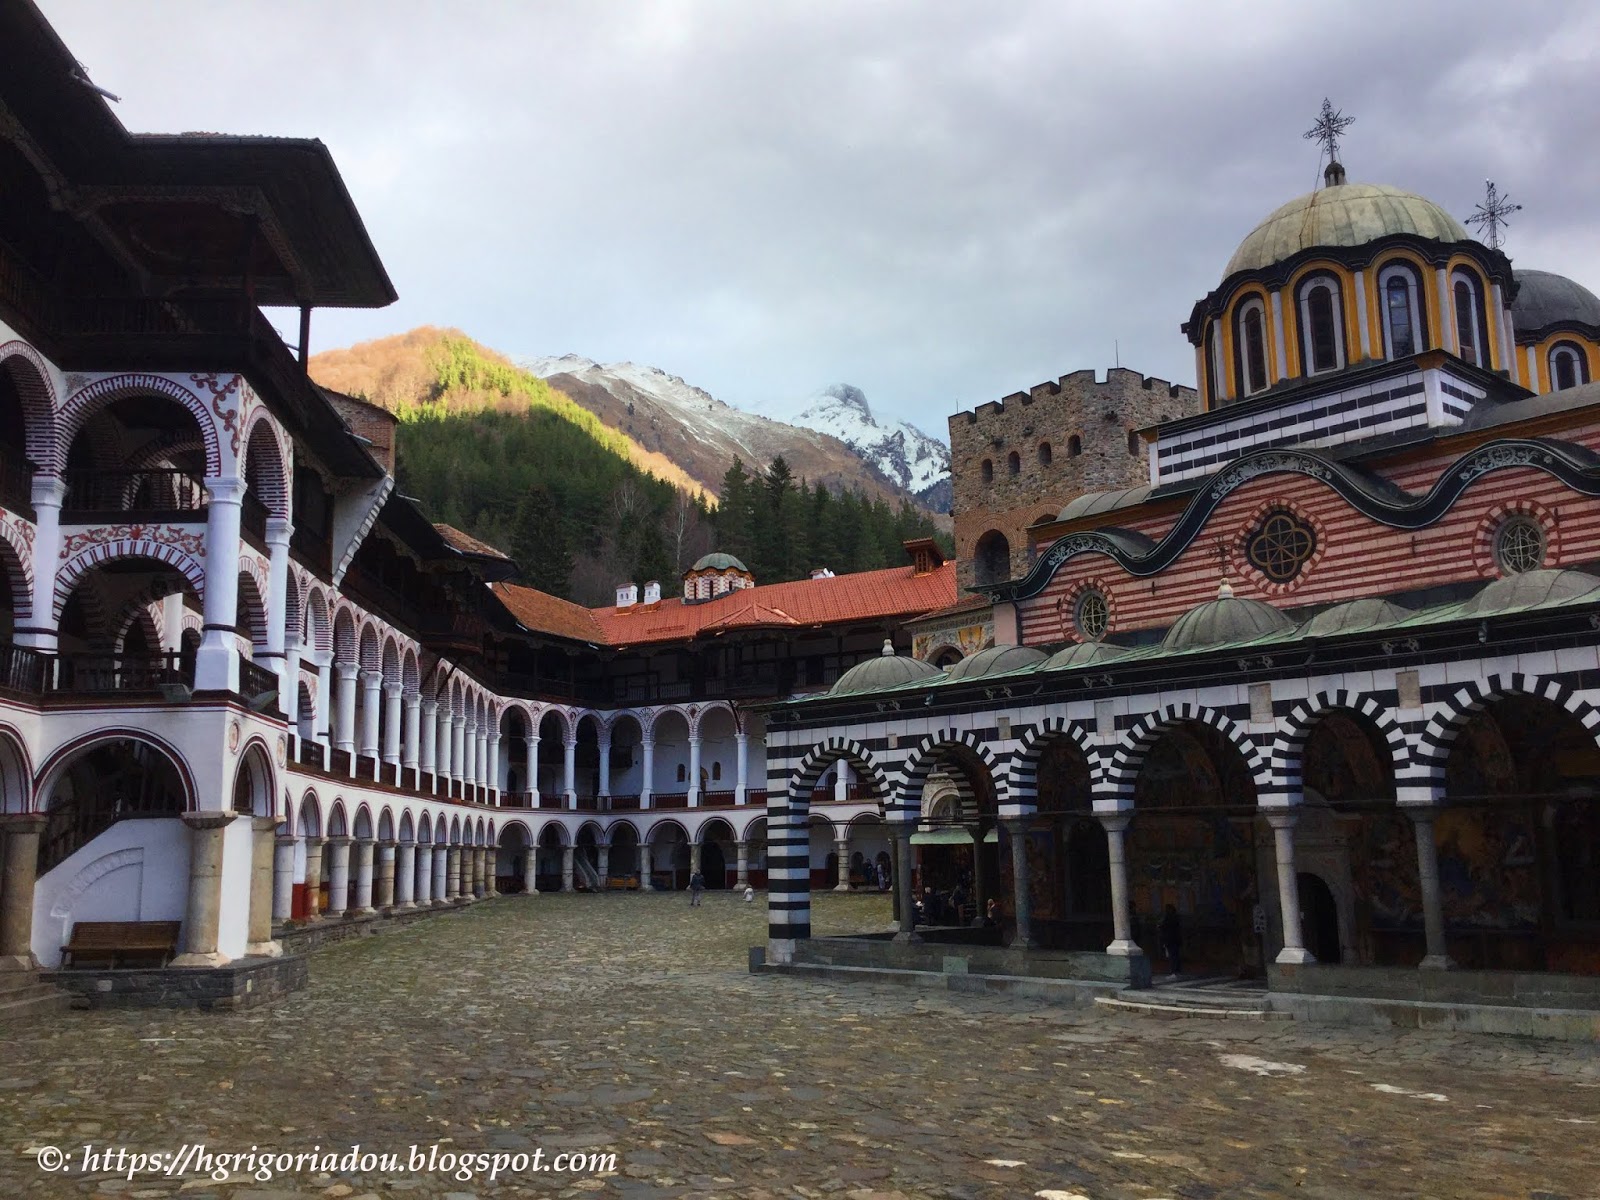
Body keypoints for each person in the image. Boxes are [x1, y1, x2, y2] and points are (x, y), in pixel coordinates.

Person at [1159, 904, 1183, 977]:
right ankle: (1177, 971)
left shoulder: (1167, 918)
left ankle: (1174, 972)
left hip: (1169, 939)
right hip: (1175, 939)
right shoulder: (1176, 918)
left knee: (1172, 956)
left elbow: (1162, 926)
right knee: (1176, 955)